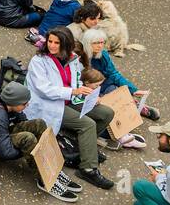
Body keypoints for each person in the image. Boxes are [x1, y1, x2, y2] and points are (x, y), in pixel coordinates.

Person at [25, 26, 115, 189]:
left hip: (69, 99)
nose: (51, 45)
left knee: (106, 113)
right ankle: (88, 168)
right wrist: (73, 91)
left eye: (56, 42)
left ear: (65, 44)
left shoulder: (72, 59)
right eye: (50, 41)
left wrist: (87, 94)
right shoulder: (38, 61)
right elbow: (43, 89)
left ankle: (80, 149)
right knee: (88, 124)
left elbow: (76, 81)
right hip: (49, 105)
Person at [0, 82, 82, 202]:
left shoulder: (5, 102)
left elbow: (22, 119)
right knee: (28, 139)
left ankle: (49, 167)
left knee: (39, 124)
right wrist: (30, 150)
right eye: (25, 103)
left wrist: (36, 148)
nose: (27, 105)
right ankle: (43, 178)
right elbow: (7, 153)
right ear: (14, 102)